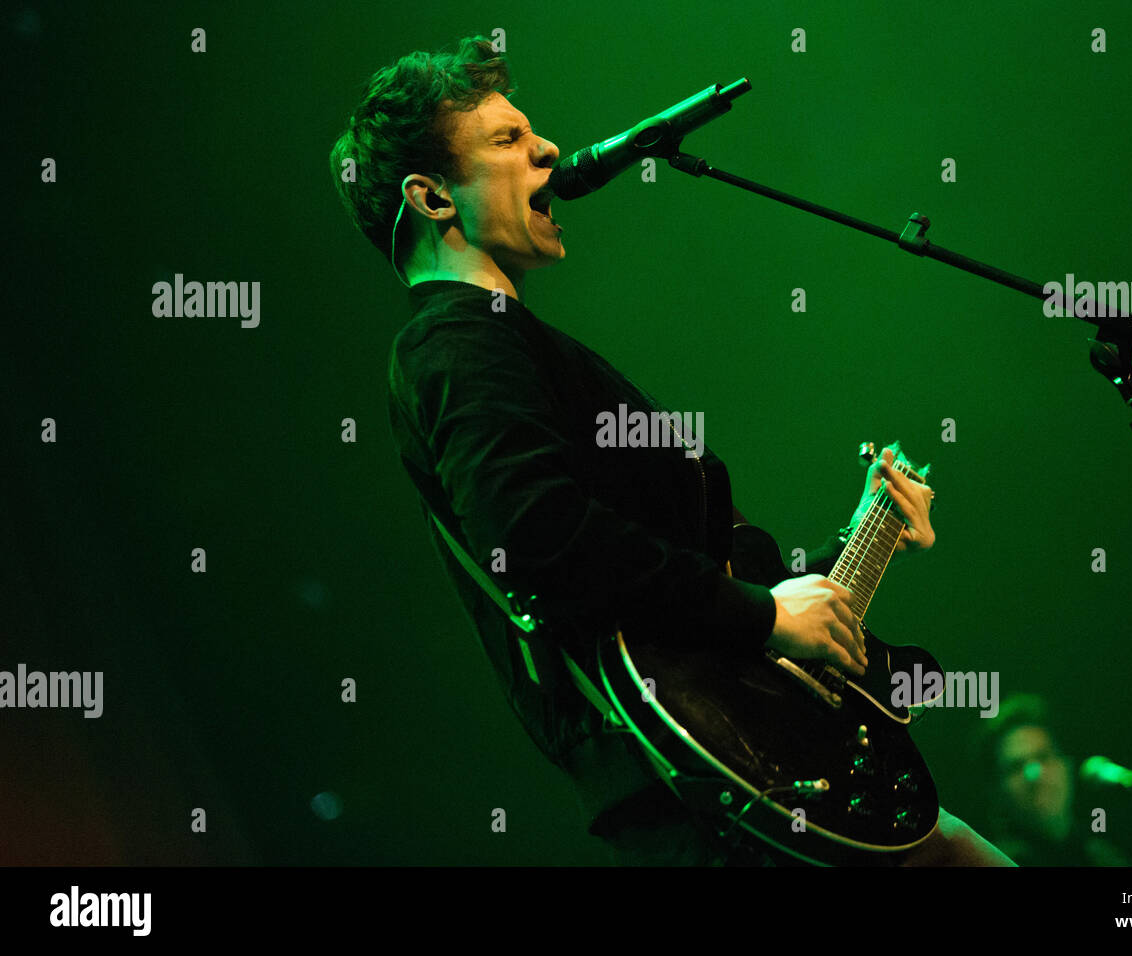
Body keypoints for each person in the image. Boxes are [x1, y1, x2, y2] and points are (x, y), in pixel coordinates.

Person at [330, 35, 1013, 866]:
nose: (548, 147)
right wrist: (763, 614)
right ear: (433, 198)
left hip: (742, 760)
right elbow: (535, 534)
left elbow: (687, 596)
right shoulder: (455, 341)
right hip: (701, 790)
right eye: (507, 140)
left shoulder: (508, 343)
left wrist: (855, 545)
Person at [971, 694, 1130, 865]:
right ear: (995, 790)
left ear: (1067, 764)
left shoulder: (1105, 856)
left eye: (1043, 756)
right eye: (1015, 767)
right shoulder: (990, 862)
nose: (1034, 775)